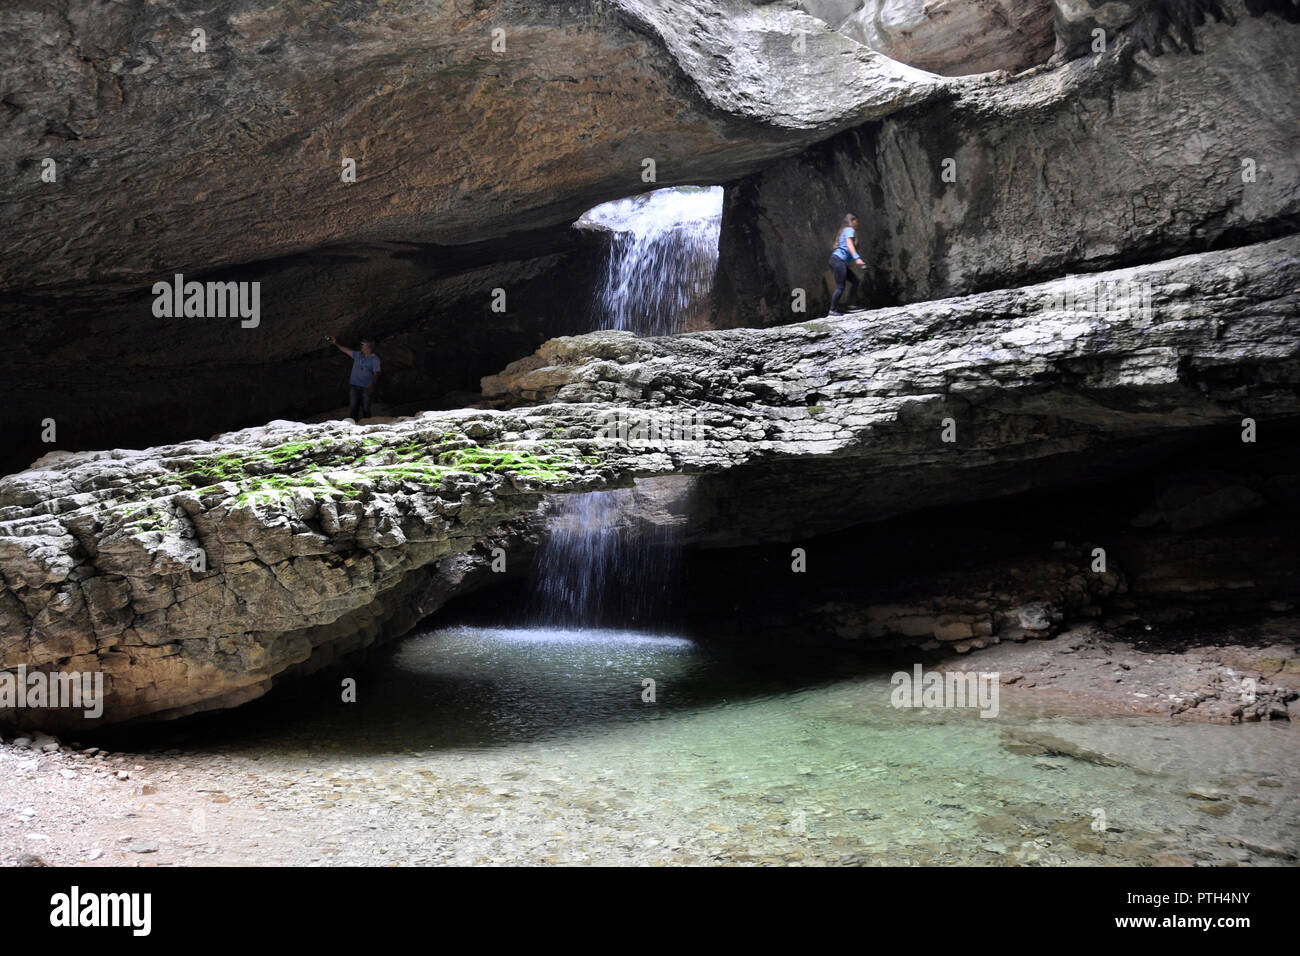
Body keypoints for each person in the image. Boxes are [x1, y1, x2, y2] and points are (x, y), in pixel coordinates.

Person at [328, 336, 380, 421]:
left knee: (366, 408)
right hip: (354, 387)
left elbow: (376, 374)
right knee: (353, 408)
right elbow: (346, 350)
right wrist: (336, 343)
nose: (362, 346)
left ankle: (367, 425)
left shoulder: (374, 359)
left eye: (364, 345)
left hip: (366, 387)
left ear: (369, 347)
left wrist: (372, 387)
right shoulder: (358, 355)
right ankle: (354, 426)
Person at [828, 213, 866, 315]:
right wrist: (857, 258)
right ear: (852, 221)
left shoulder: (846, 230)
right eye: (857, 221)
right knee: (841, 287)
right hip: (837, 260)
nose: (858, 223)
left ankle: (852, 305)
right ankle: (832, 310)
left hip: (837, 261)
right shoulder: (849, 230)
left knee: (855, 281)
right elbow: (849, 244)